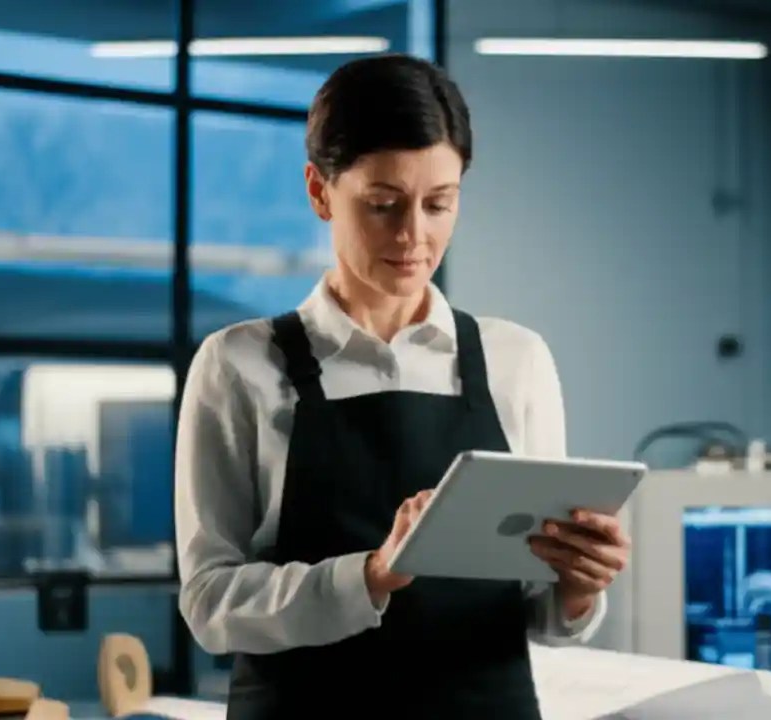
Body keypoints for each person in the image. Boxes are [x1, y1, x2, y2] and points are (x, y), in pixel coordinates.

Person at [174, 53, 633, 719]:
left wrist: (578, 588)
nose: (414, 235)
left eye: (440, 204)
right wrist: (371, 573)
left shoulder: (517, 359)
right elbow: (210, 605)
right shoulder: (239, 364)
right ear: (319, 190)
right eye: (383, 204)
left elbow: (539, 612)